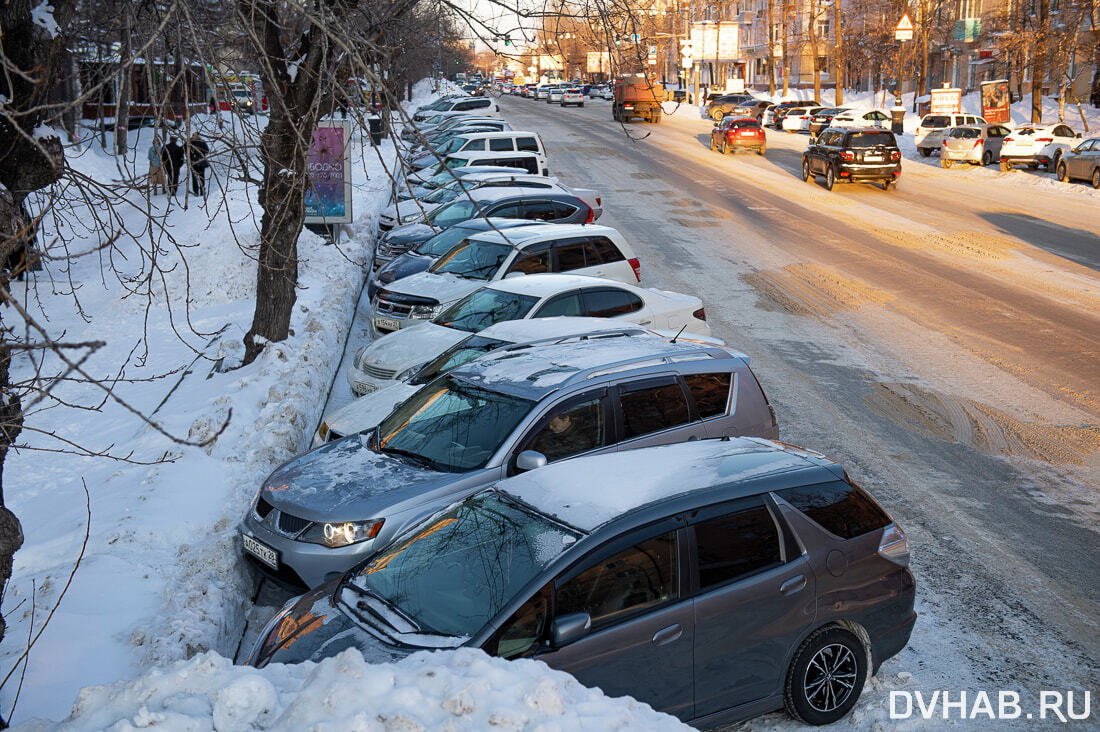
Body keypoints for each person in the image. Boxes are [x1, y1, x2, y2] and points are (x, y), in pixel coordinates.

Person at [187, 132, 210, 197]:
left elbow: (206, 150)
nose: (193, 136)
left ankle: (202, 190)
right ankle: (196, 191)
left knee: (201, 176)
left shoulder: (201, 142)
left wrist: (200, 152)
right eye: (193, 135)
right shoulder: (190, 142)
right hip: (193, 162)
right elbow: (186, 150)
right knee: (194, 177)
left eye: (194, 135)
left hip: (200, 161)